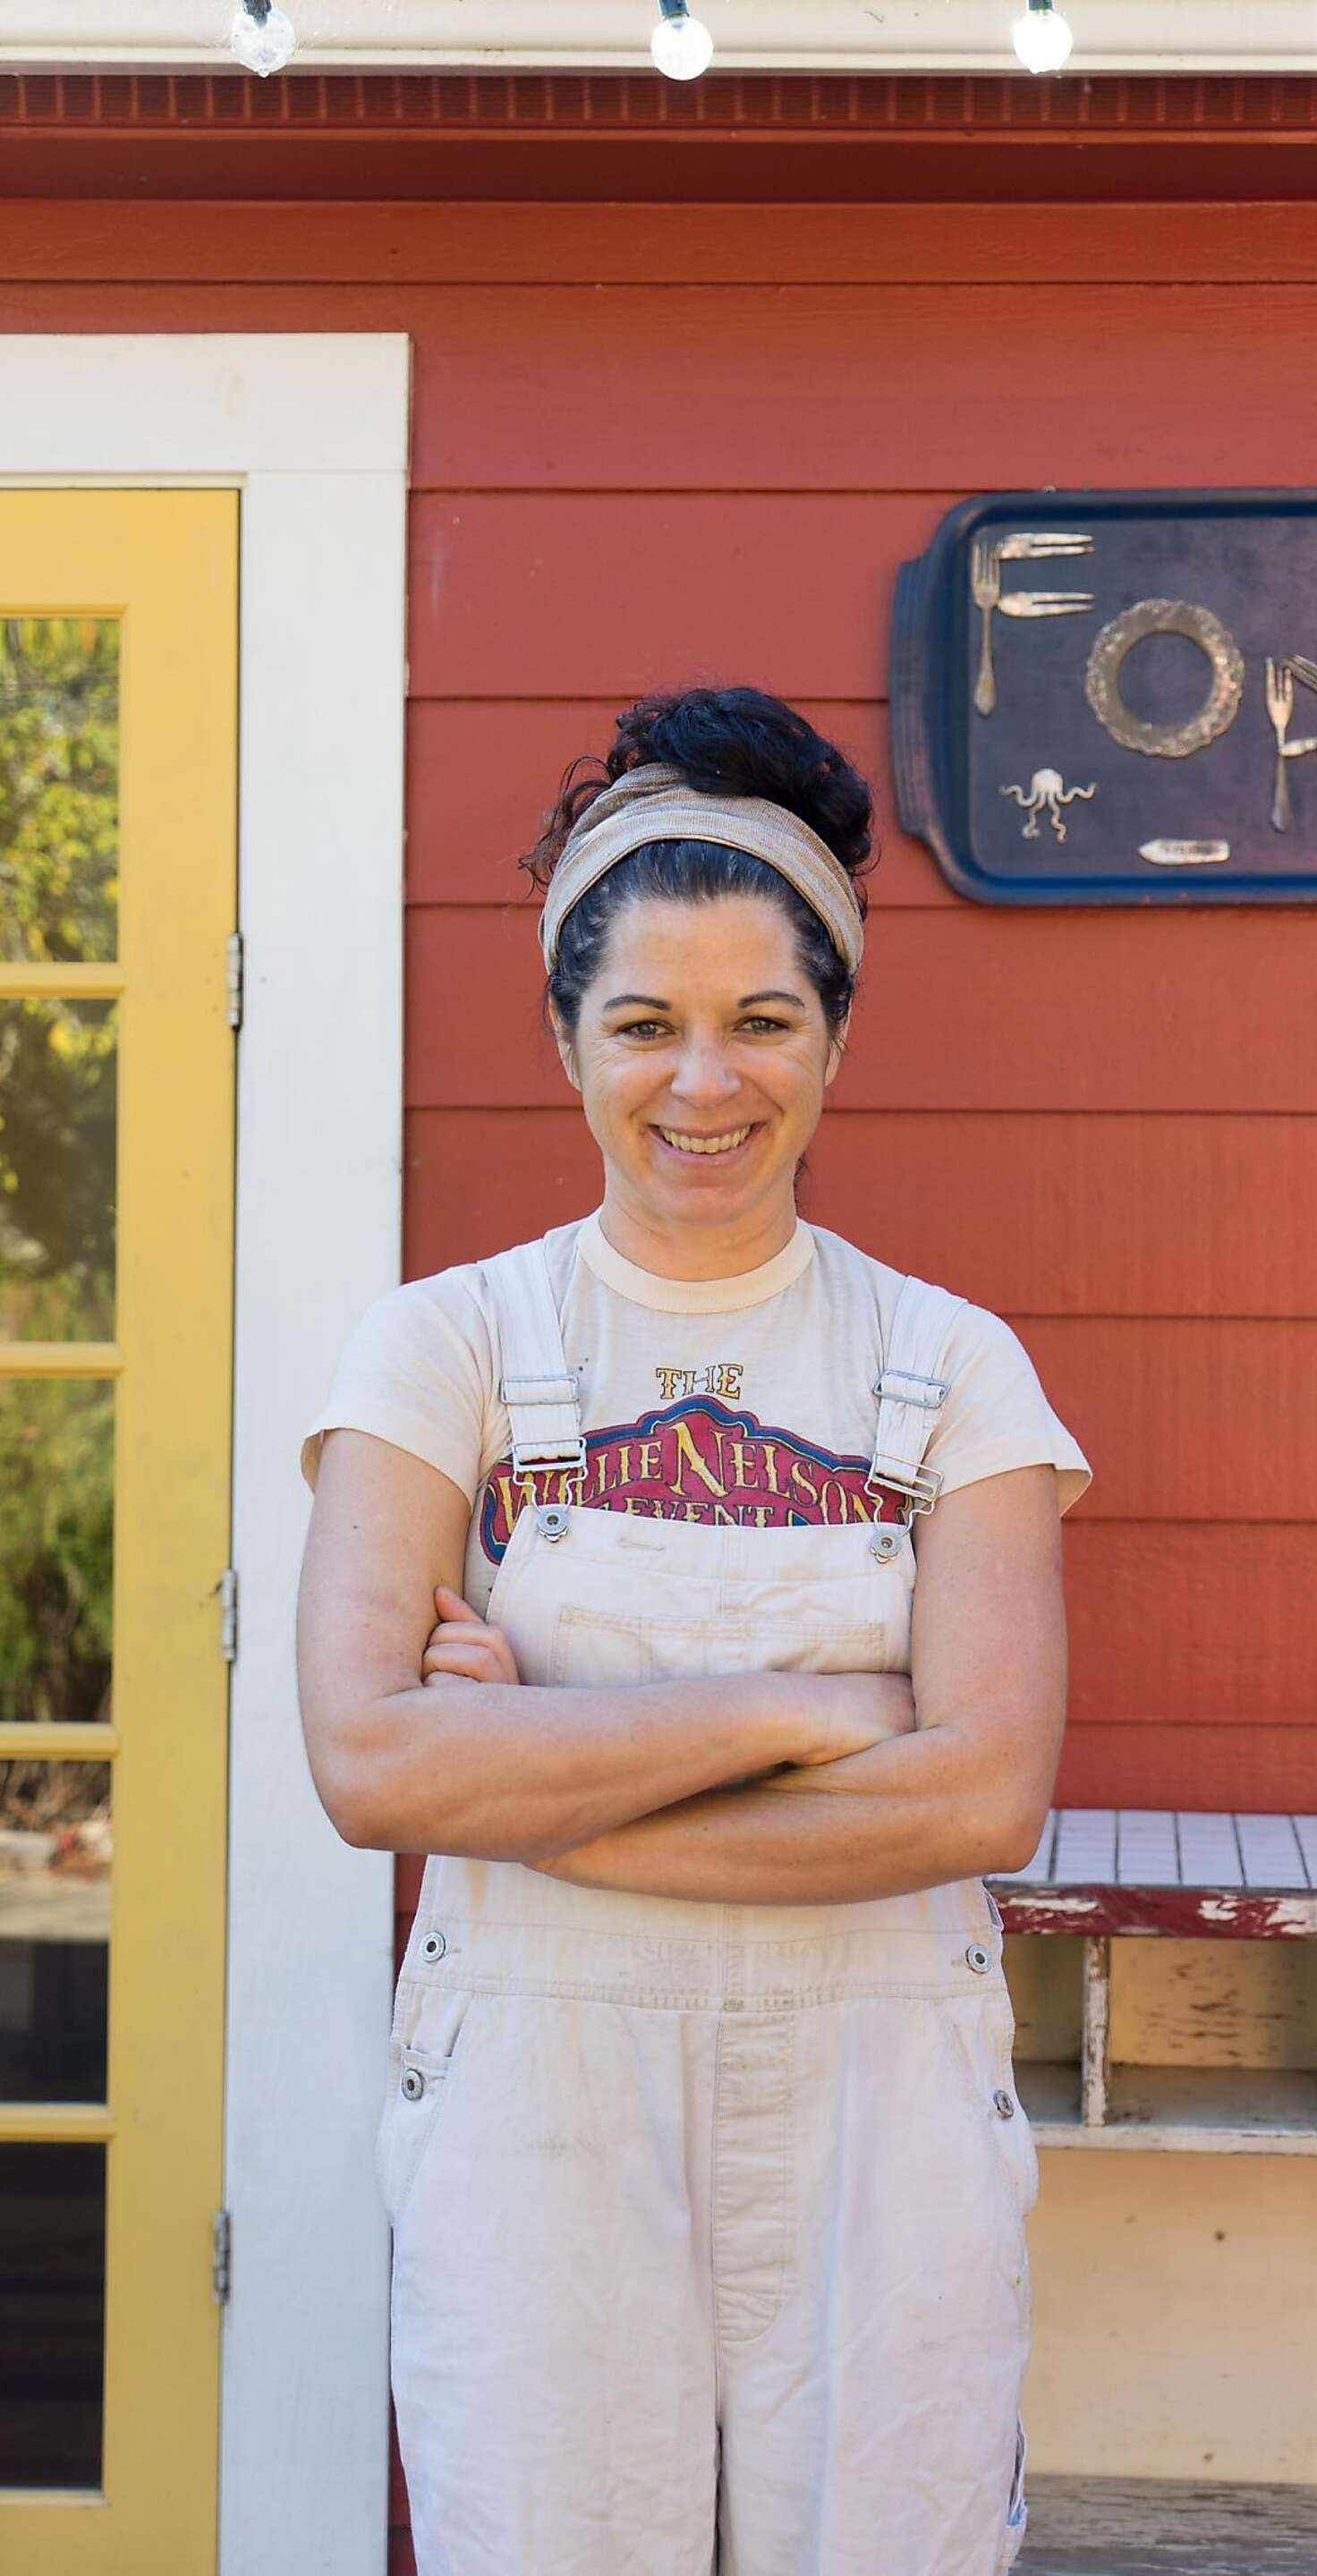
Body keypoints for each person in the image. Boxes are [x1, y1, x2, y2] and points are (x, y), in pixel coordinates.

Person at [294, 683, 1092, 2576]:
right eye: (645, 1023)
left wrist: (533, 1778)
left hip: (886, 2108)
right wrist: (823, 1709)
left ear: (835, 1038)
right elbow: (370, 1763)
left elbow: (980, 1802)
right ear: (566, 1036)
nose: (703, 1083)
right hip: (535, 2119)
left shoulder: (949, 1366)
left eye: (763, 1022)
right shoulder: (447, 1350)